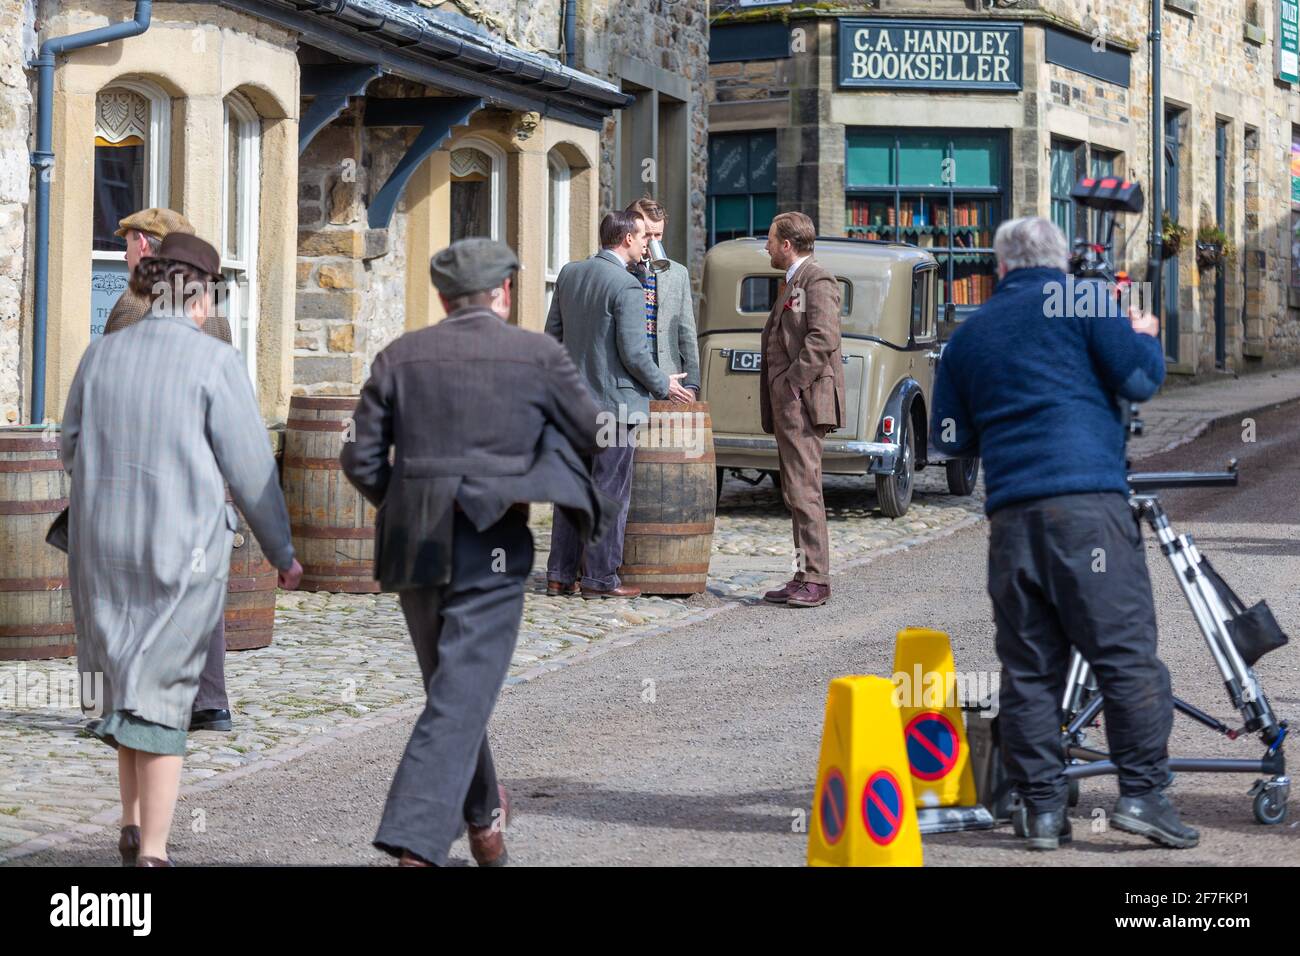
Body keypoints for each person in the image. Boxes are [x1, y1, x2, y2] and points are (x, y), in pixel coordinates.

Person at [341, 237, 613, 867]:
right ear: (505, 293)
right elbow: (595, 432)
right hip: (491, 540)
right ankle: (416, 843)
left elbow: (357, 457)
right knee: (460, 692)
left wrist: (404, 497)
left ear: (442, 297)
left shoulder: (399, 356)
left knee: (452, 687)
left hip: (413, 541)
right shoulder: (537, 355)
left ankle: (486, 822)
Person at [930, 216, 1197, 852]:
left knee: (1028, 670)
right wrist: (1146, 336)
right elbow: (1141, 380)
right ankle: (1143, 795)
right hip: (1088, 509)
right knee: (1125, 656)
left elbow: (949, 440)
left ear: (999, 267)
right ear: (1062, 260)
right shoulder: (1085, 299)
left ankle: (1043, 811)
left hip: (1013, 519)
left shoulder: (970, 335)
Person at [62, 233, 302, 866]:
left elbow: (69, 447)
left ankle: (132, 822)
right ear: (202, 296)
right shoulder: (214, 363)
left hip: (101, 547)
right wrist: (281, 550)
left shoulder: (100, 354)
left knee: (125, 681)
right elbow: (251, 469)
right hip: (181, 551)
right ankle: (156, 856)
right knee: (163, 692)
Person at [103, 207, 234, 734]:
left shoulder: (134, 304)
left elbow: (111, 396)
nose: (125, 255)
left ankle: (129, 704)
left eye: (127, 245)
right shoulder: (213, 308)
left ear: (143, 245)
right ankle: (211, 702)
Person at [544, 210, 693, 599]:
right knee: (609, 492)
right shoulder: (625, 286)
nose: (648, 244)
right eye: (644, 237)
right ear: (627, 239)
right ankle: (599, 580)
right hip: (614, 409)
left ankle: (559, 575)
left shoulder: (569, 274)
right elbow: (634, 354)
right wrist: (665, 385)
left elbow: (552, 340)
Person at [758, 211, 845, 609]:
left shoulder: (817, 279)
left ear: (787, 245)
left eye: (771, 240)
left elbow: (823, 336)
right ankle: (802, 574)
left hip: (803, 402)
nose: (767, 246)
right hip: (789, 402)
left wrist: (793, 382)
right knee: (795, 491)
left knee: (805, 491)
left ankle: (816, 579)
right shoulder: (794, 281)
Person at [623, 198, 700, 398]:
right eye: (647, 235)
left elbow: (687, 331)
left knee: (663, 431)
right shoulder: (615, 269)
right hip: (625, 379)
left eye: (658, 235)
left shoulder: (678, 273)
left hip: (669, 377)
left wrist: (691, 384)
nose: (653, 241)